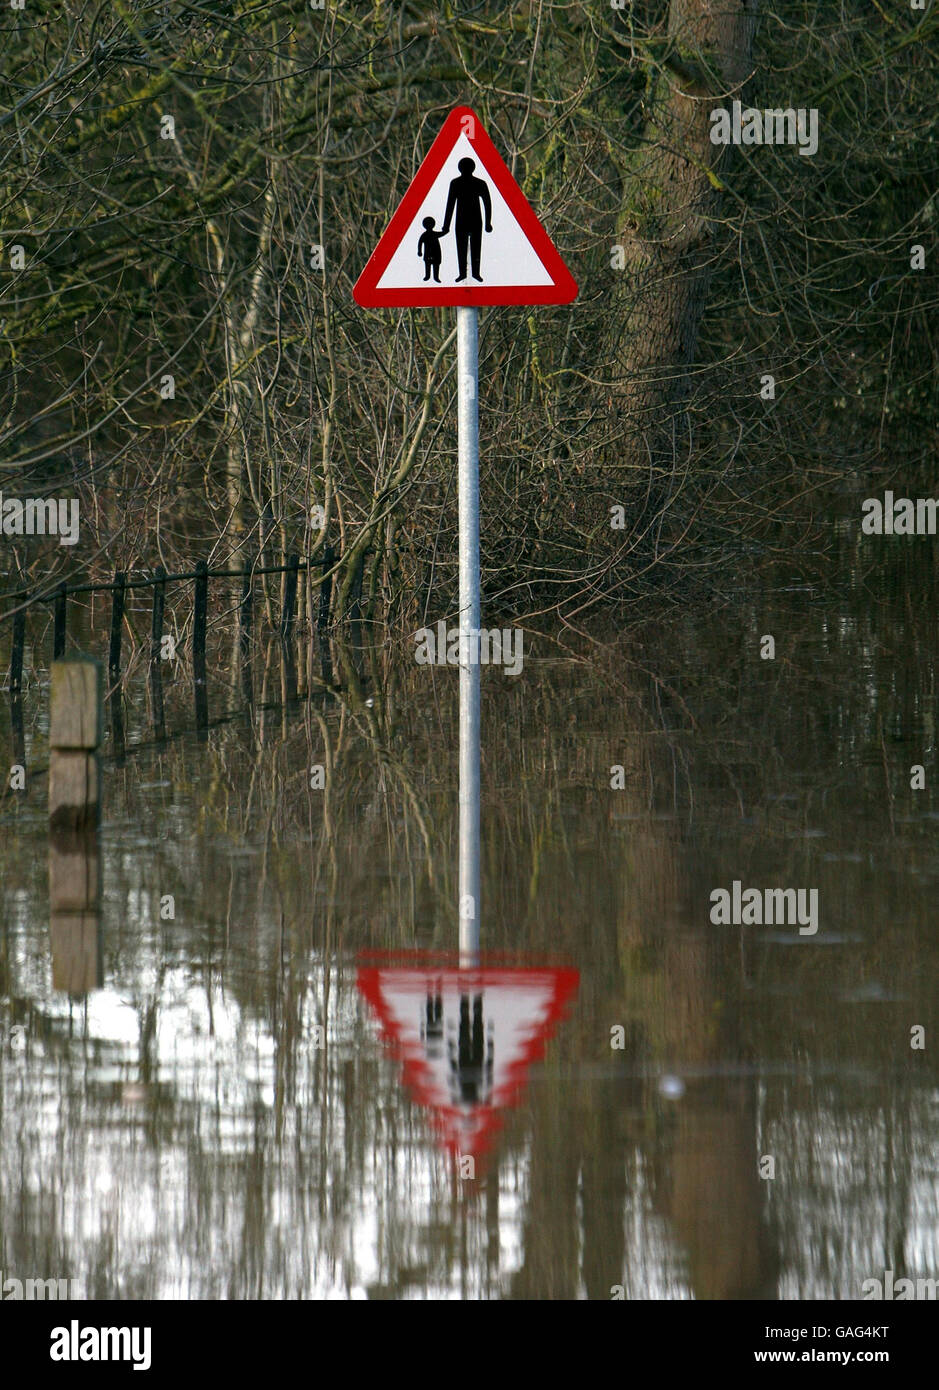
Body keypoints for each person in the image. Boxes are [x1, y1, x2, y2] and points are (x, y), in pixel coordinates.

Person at [440, 158, 492, 282]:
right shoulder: (456, 183)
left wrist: (488, 223)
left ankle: (475, 274)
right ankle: (463, 273)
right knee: (463, 247)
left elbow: (487, 203)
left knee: (474, 247)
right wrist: (446, 225)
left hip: (472, 220)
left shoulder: (479, 183)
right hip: (464, 221)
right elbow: (450, 204)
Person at [416, 216, 443, 283]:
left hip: (436, 253)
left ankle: (436, 277)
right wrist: (419, 251)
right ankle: (427, 276)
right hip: (428, 253)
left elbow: (442, 233)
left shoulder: (434, 234)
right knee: (428, 264)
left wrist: (446, 230)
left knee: (436, 265)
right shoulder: (424, 235)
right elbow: (420, 243)